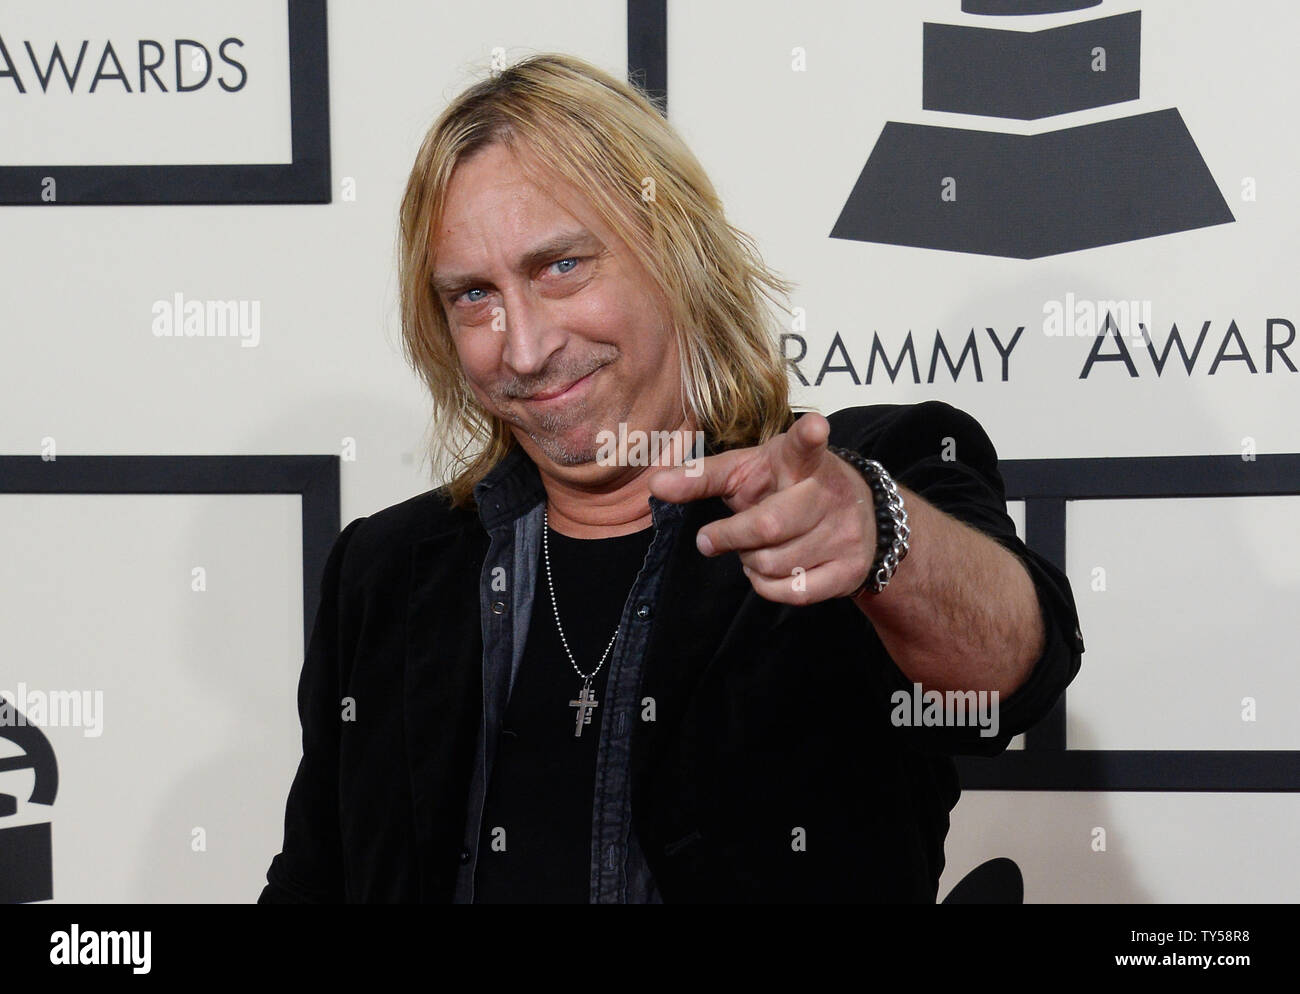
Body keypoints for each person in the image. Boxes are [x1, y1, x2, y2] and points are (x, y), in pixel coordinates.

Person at [258, 52, 1084, 904]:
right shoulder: (387, 569)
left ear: (673, 251)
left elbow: (1013, 671)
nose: (525, 347)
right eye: (474, 295)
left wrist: (878, 535)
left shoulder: (851, 480)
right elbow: (315, 880)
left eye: (561, 267)